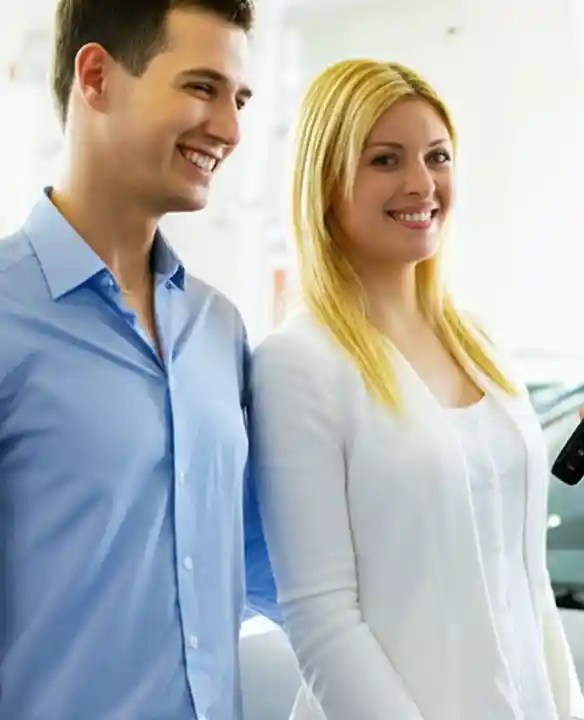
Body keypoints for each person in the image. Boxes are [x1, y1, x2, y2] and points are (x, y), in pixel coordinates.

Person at [248, 58, 584, 720]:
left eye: (437, 157)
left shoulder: (478, 344)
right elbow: (323, 623)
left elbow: (527, 585)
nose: (421, 183)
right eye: (385, 160)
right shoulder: (297, 365)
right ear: (326, 183)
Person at [0, 1, 276, 719]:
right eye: (200, 87)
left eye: (240, 98)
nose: (231, 128)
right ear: (96, 77)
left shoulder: (219, 331)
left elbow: (275, 572)